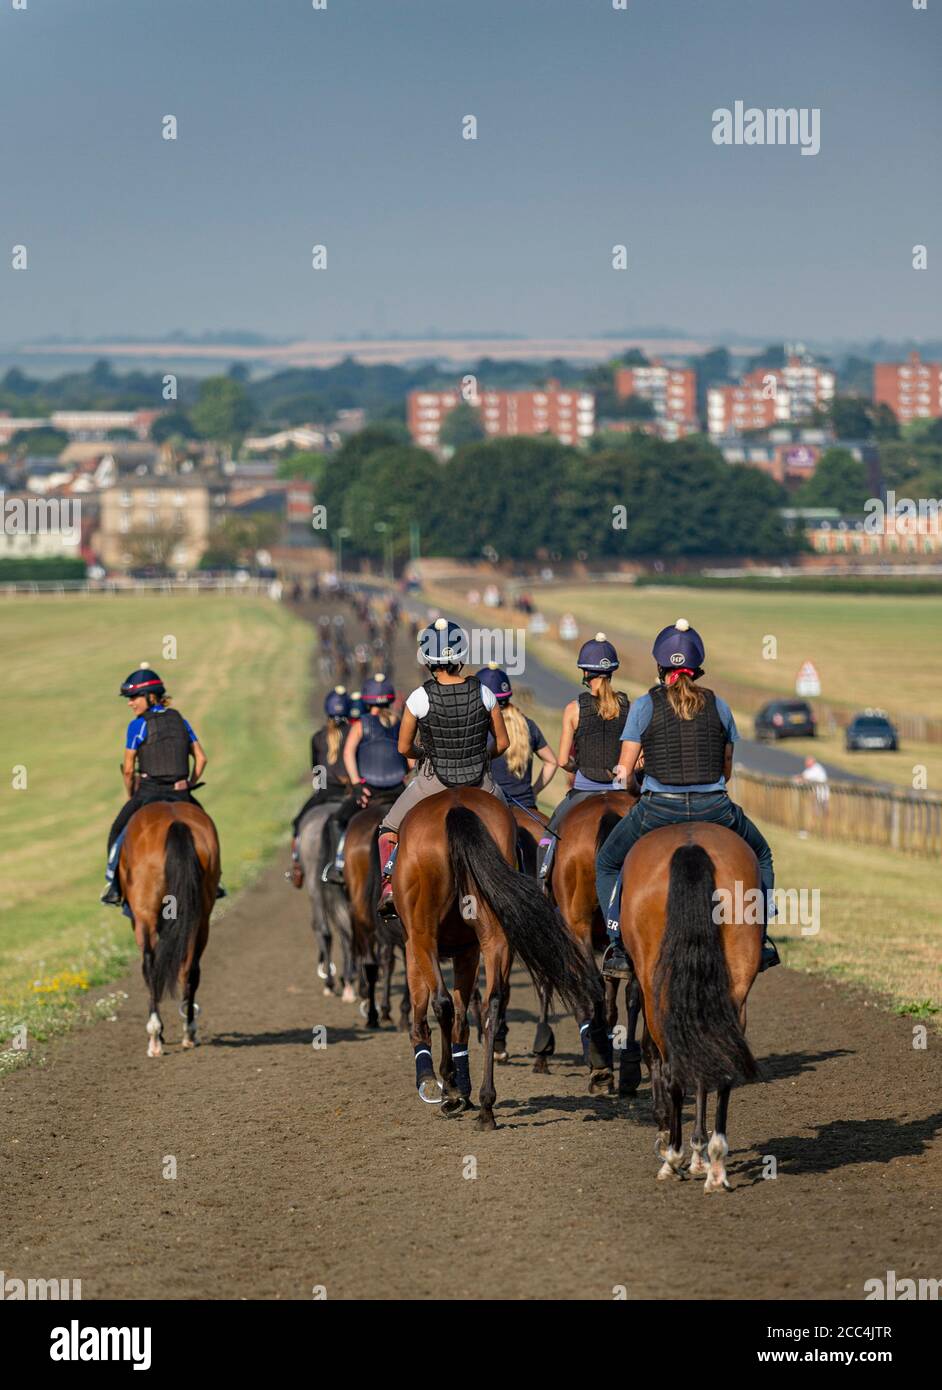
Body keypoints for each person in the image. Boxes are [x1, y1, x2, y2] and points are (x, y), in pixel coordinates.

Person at [595, 619, 779, 978]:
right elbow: (725, 772)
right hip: (715, 809)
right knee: (762, 855)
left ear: (661, 668)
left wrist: (634, 783)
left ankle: (617, 945)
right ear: (697, 669)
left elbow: (625, 770)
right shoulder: (720, 706)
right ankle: (761, 936)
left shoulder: (646, 706)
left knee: (606, 863)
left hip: (658, 808)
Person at [375, 618, 509, 914]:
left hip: (432, 783)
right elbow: (502, 743)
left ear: (428, 659)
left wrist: (423, 752)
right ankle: (521, 883)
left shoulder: (418, 698)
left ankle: (388, 886)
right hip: (480, 783)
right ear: (460, 657)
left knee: (388, 828)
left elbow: (403, 747)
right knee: (509, 825)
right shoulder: (485, 694)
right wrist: (480, 756)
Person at [100, 667, 222, 905]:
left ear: (151, 696)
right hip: (181, 794)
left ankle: (114, 887)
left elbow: (127, 769)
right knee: (206, 831)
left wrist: (130, 795)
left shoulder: (137, 726)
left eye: (134, 697)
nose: (130, 703)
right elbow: (202, 758)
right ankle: (214, 882)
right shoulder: (180, 720)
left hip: (149, 793)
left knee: (117, 831)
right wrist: (189, 784)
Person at [537, 633, 630, 884]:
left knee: (548, 836)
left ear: (586, 674)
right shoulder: (628, 707)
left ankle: (542, 881)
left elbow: (562, 760)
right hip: (620, 790)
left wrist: (576, 766)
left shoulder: (573, 709)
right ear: (611, 672)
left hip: (584, 789)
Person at [322, 673, 410, 884]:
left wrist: (357, 783)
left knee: (338, 819)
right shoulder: (399, 722)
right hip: (398, 791)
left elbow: (348, 753)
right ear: (390, 699)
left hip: (369, 791)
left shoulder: (361, 724)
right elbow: (410, 762)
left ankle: (338, 861)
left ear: (366, 700)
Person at [288, 686, 351, 888]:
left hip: (325, 793)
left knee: (298, 823)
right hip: (349, 793)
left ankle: (297, 865)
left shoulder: (317, 737)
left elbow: (317, 771)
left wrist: (320, 793)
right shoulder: (354, 733)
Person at [475, 663, 557, 810]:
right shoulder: (527, 725)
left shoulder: (479, 728)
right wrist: (534, 791)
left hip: (491, 806)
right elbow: (551, 762)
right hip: (527, 805)